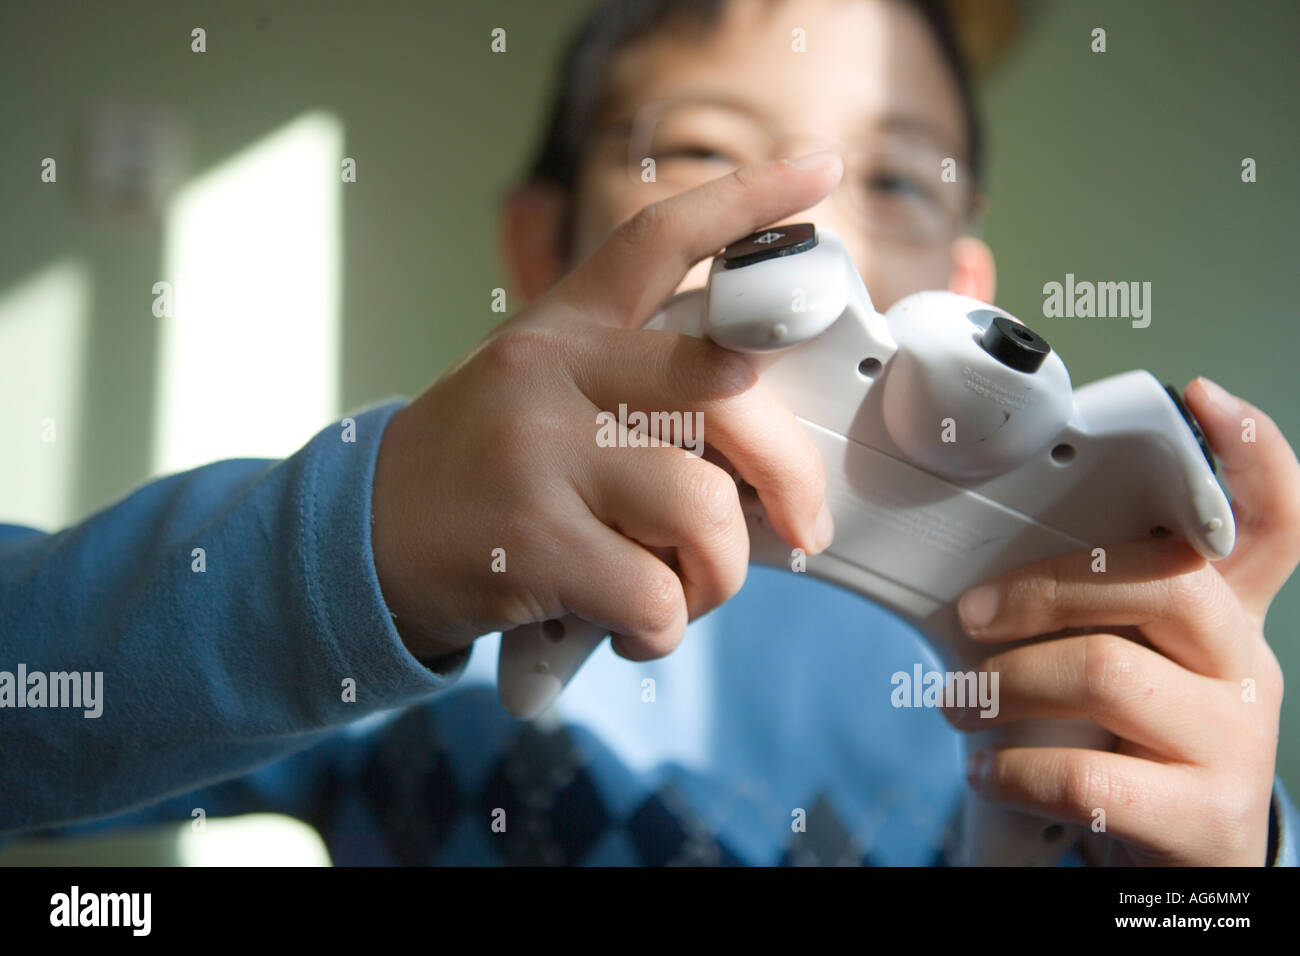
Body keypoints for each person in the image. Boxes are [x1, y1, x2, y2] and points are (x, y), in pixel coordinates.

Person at [2, 0, 1297, 866]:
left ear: (966, 294)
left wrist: (1215, 860)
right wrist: (365, 548)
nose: (819, 237)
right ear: (536, 247)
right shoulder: (426, 625)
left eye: (894, 179)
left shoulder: (1058, 677)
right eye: (698, 148)